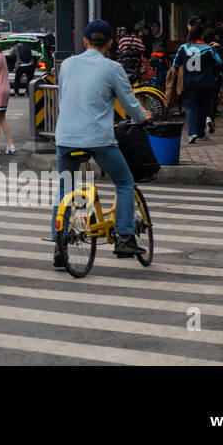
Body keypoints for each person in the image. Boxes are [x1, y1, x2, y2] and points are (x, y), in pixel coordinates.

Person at [50, 19, 152, 264]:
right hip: (98, 139)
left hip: (65, 137)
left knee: (65, 189)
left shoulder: (67, 65)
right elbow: (129, 103)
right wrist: (144, 115)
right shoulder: (113, 68)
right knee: (125, 182)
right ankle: (125, 237)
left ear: (84, 41)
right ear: (110, 43)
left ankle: (59, 246)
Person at [173, 27, 222, 144]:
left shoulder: (183, 48)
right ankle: (200, 133)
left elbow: (175, 63)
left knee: (190, 108)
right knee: (202, 108)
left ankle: (192, 133)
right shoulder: (208, 49)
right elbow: (219, 61)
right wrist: (216, 48)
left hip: (189, 83)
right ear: (201, 36)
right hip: (205, 84)